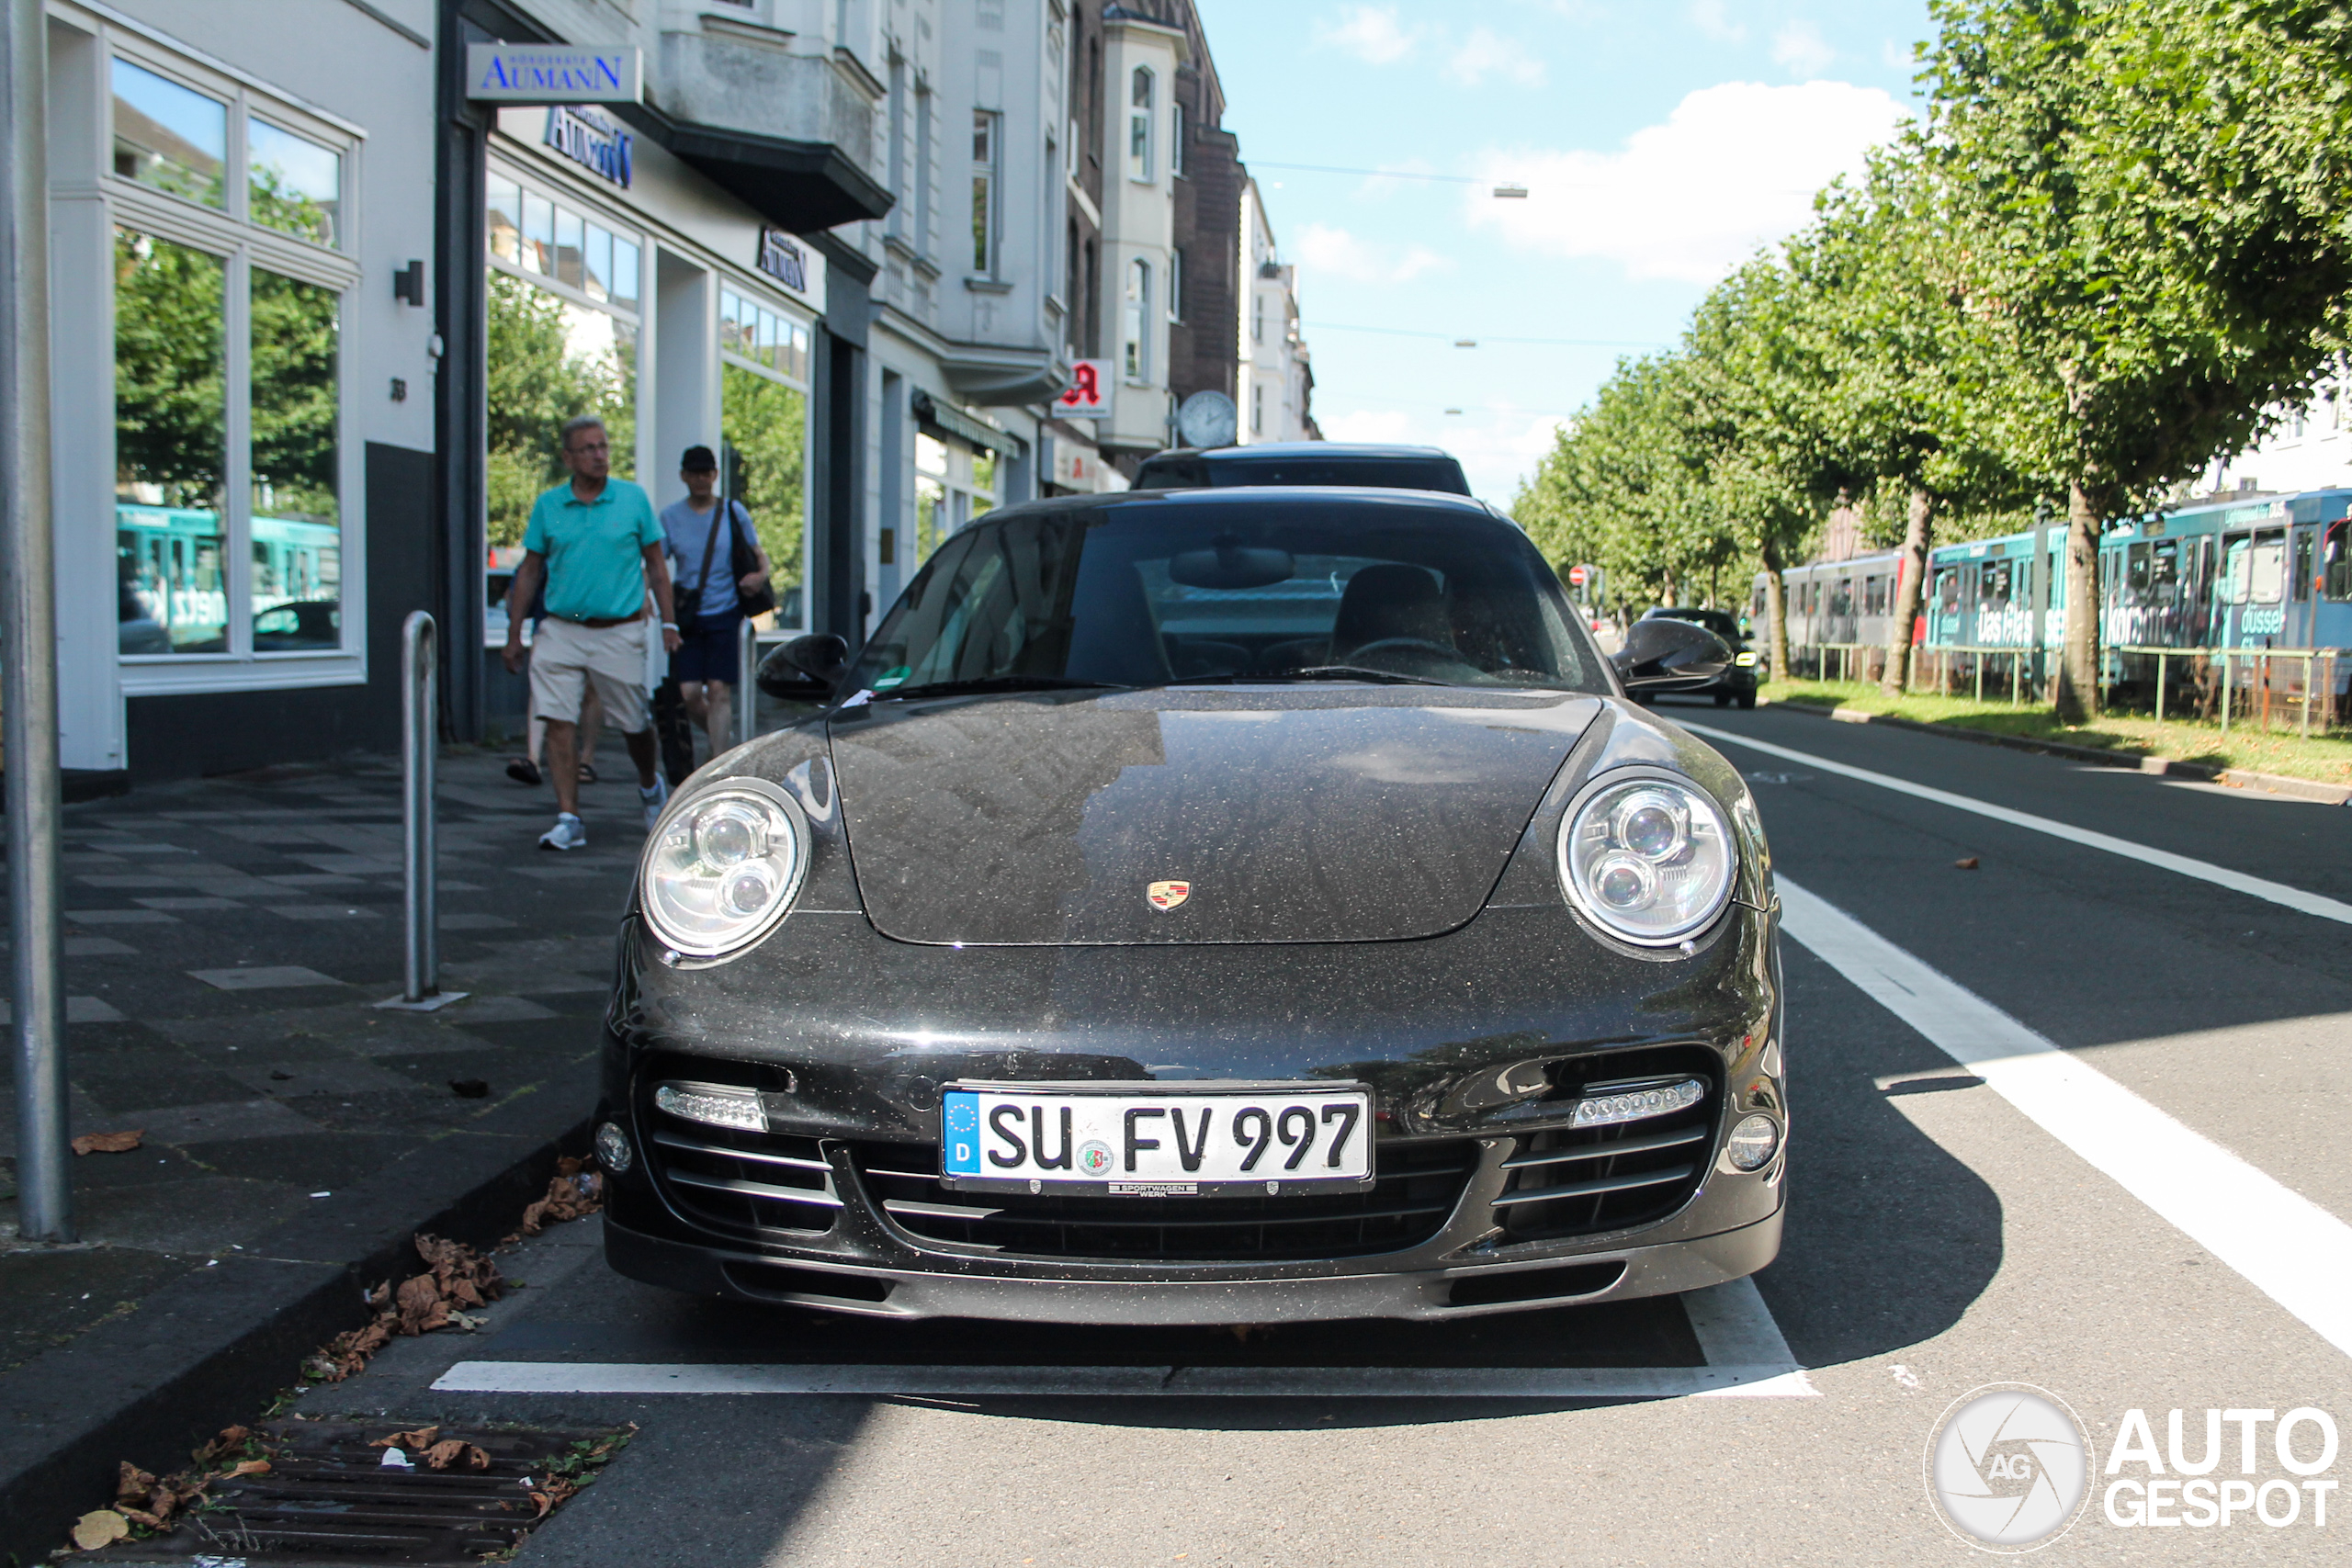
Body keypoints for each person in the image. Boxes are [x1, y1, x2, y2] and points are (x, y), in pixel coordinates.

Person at [501, 416, 684, 851]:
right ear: (568, 457)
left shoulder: (632, 500)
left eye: (603, 446)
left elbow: (657, 566)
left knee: (634, 723)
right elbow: (529, 572)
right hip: (561, 629)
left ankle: (648, 785)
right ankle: (569, 817)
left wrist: (670, 623)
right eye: (589, 448)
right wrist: (514, 635)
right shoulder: (549, 505)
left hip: (617, 632)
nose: (600, 455)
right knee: (558, 720)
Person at [658, 446, 772, 763]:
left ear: (715, 475)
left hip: (726, 611)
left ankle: (719, 760)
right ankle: (721, 736)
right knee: (689, 694)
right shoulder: (670, 517)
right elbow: (656, 565)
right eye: (694, 473)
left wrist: (759, 576)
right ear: (684, 476)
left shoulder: (733, 512)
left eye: (706, 473)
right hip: (690, 616)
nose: (701, 479)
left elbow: (759, 554)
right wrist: (647, 600)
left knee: (720, 689)